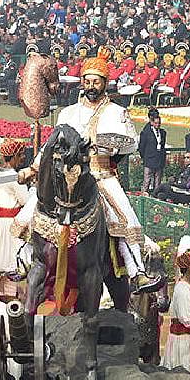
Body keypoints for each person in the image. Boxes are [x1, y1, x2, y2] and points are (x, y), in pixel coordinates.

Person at [16, 48, 161, 294]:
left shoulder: (117, 112)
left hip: (101, 174)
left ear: (105, 83)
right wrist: (32, 168)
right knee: (35, 206)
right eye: (87, 81)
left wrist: (104, 147)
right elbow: (51, 145)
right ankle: (24, 257)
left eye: (96, 81)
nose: (91, 85)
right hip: (67, 175)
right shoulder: (68, 113)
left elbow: (129, 144)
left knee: (123, 218)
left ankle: (137, 272)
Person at [0, 139, 30, 274]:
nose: (23, 158)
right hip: (10, 223)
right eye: (21, 155)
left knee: (0, 258)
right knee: (12, 259)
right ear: (14, 156)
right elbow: (25, 201)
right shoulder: (14, 177)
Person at [137, 109, 168, 194]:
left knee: (158, 181)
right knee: (147, 181)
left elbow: (162, 145)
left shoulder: (163, 132)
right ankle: (143, 197)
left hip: (159, 159)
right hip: (149, 160)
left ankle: (156, 197)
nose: (158, 125)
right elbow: (141, 147)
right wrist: (144, 157)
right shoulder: (146, 132)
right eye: (156, 123)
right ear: (152, 122)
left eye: (159, 123)